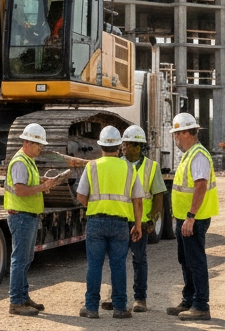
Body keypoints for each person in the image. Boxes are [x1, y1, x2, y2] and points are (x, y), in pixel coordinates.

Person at [76, 125, 144, 319]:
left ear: (100, 146)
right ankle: (120, 308)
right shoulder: (129, 168)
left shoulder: (92, 166)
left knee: (94, 265)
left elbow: (81, 196)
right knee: (119, 266)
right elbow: (137, 199)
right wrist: (137, 225)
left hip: (96, 222)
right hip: (120, 224)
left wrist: (95, 205)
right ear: (119, 146)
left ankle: (91, 308)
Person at [100, 124, 166, 313]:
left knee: (139, 259)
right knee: (117, 260)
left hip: (141, 223)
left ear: (140, 147)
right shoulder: (117, 163)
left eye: (135, 145)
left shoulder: (151, 167)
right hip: (120, 221)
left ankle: (140, 298)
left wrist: (153, 220)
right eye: (129, 144)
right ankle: (116, 297)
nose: (131, 148)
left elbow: (159, 195)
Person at [166, 112, 219, 321]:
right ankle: (189, 300)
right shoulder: (189, 154)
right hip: (185, 218)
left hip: (193, 219)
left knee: (195, 261)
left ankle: (200, 305)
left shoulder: (198, 155)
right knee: (186, 260)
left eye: (177, 134)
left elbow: (200, 185)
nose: (175, 139)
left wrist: (190, 217)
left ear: (187, 133)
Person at [4, 123, 60, 317]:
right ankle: (17, 302)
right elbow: (20, 190)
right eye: (38, 145)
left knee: (26, 258)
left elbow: (26, 184)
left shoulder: (27, 161)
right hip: (21, 216)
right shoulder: (20, 161)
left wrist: (41, 181)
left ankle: (22, 296)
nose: (41, 148)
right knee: (20, 259)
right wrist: (42, 188)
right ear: (27, 142)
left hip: (26, 215)